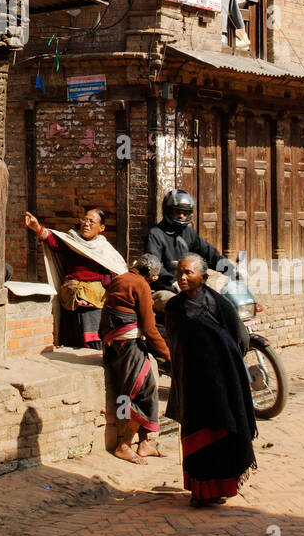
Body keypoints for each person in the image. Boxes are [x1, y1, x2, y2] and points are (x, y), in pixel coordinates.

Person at [164, 254, 257, 508]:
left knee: (222, 432)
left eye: (188, 273)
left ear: (203, 278)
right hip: (192, 382)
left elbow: (239, 339)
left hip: (222, 382)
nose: (182, 278)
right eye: (180, 272)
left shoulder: (220, 305)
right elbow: (174, 342)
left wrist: (226, 367)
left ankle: (222, 487)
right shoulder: (174, 308)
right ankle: (200, 491)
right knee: (196, 435)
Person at [24, 207, 127, 349]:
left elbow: (117, 273)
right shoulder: (72, 240)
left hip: (93, 302)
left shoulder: (105, 250)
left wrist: (102, 289)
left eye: (92, 221)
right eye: (84, 219)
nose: (86, 224)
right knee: (70, 340)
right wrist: (36, 227)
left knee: (92, 342)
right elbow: (54, 241)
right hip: (71, 296)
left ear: (101, 227)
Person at [99, 267, 171, 463]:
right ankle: (124, 445)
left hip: (115, 344)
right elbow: (149, 328)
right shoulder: (142, 285)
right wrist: (167, 354)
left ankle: (145, 442)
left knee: (134, 390)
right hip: (129, 345)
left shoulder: (121, 278)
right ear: (153, 276)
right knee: (140, 392)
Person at [145, 189, 236, 308]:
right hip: (164, 288)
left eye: (185, 213)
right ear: (168, 211)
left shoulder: (189, 233)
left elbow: (209, 253)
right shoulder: (156, 234)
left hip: (190, 286)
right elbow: (154, 265)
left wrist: (231, 269)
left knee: (218, 302)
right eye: (178, 212)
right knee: (184, 305)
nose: (181, 216)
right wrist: (172, 282)